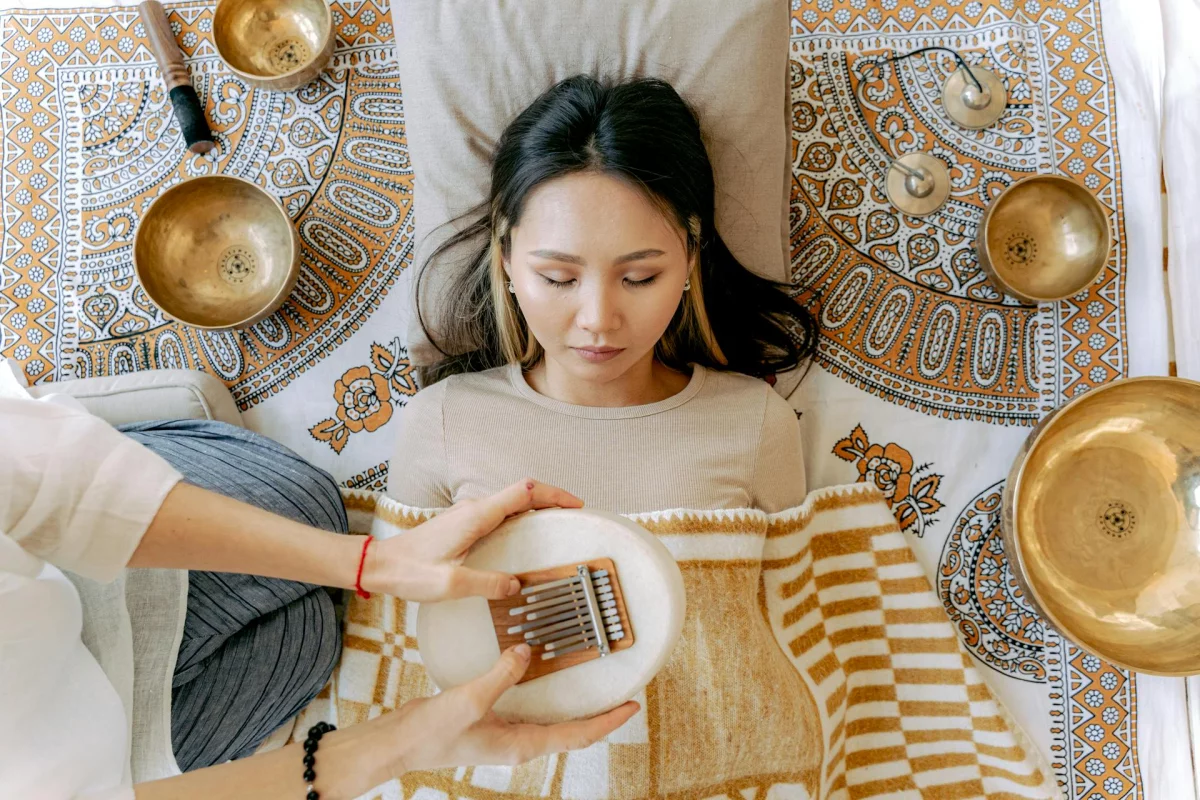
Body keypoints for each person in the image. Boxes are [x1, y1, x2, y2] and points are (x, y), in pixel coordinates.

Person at [0, 393, 637, 799]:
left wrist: (370, 562)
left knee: (309, 506)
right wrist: (405, 741)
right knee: (306, 645)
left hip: (50, 580)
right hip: (100, 764)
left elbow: (44, 480)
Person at [395, 74, 818, 512]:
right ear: (506, 258)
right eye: (558, 278)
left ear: (691, 257)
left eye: (639, 277)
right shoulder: (441, 422)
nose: (597, 319)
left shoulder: (757, 424)